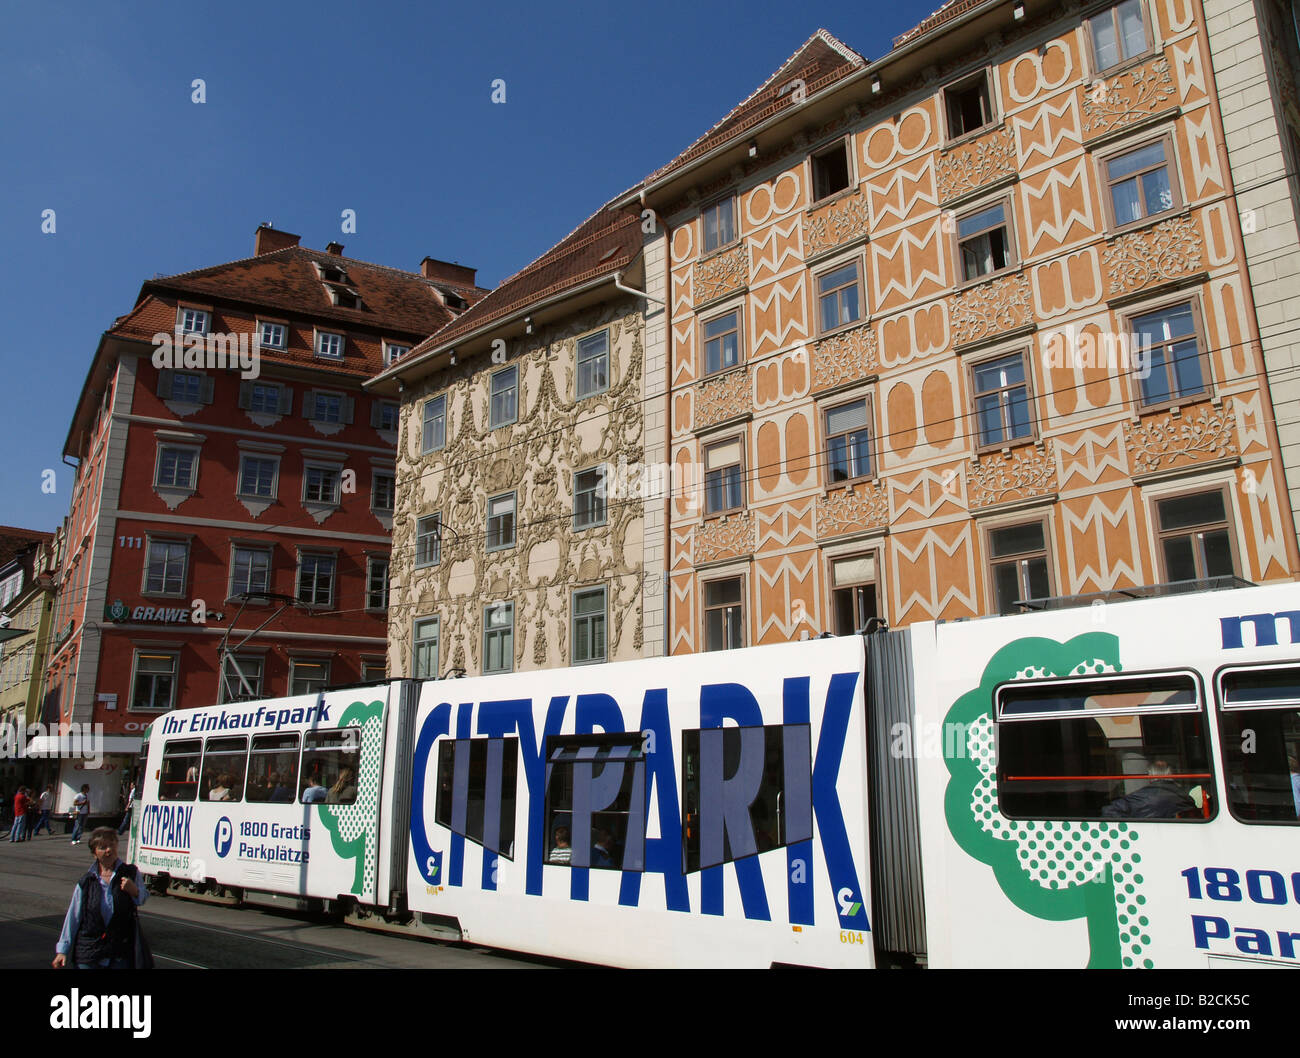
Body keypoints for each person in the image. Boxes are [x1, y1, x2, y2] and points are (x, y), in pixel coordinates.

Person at [52, 827, 149, 970]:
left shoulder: (130, 873)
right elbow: (73, 917)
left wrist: (134, 891)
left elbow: (141, 899)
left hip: (119, 950)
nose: (109, 850)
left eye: (112, 845)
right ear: (94, 854)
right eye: (103, 847)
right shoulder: (87, 882)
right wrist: (62, 950)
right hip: (88, 952)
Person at [1102, 760, 1197, 819]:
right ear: (1172, 774)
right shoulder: (1185, 797)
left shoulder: (1141, 796)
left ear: (1150, 776)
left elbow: (1108, 811)